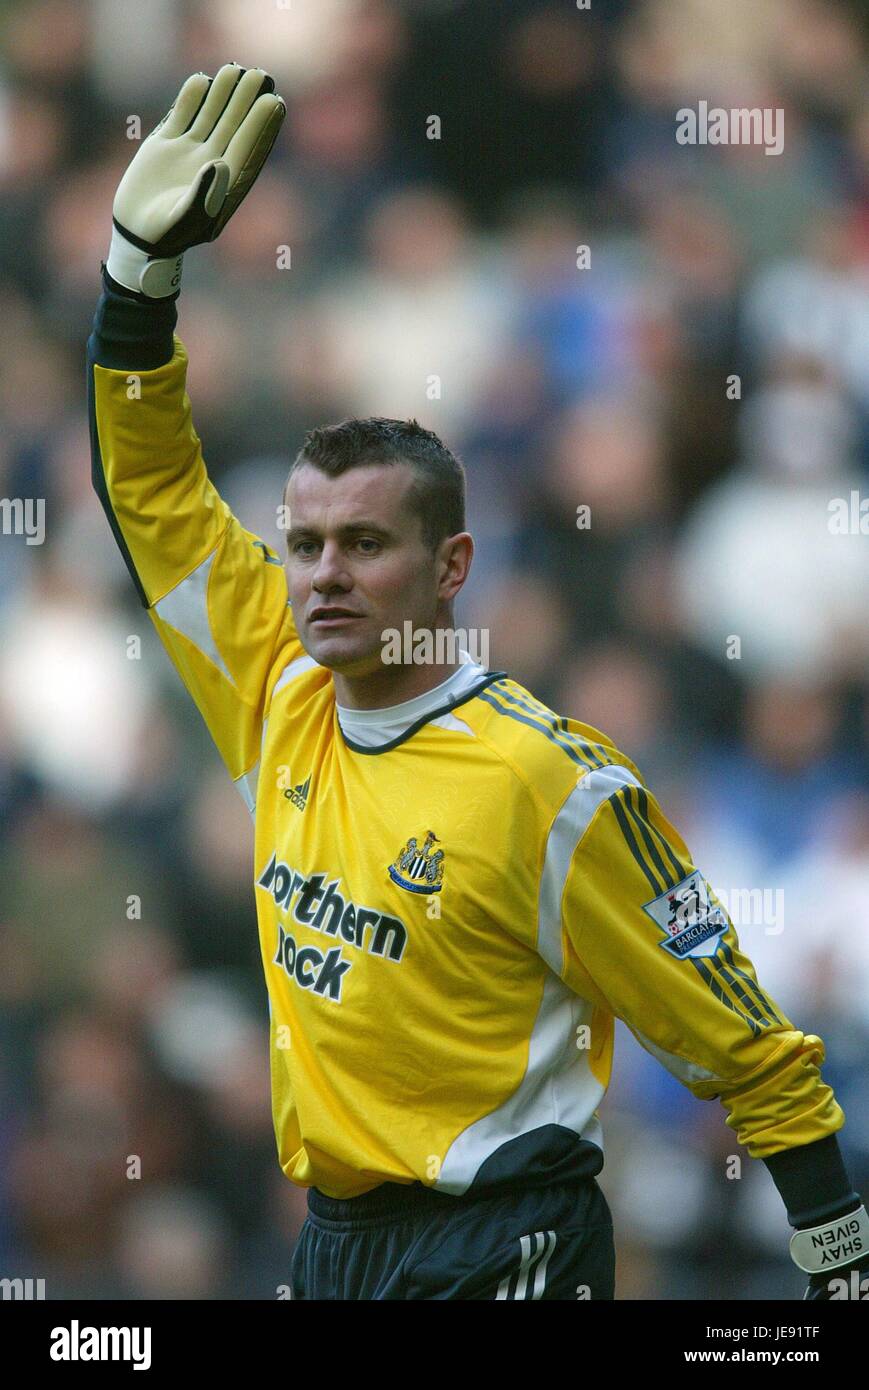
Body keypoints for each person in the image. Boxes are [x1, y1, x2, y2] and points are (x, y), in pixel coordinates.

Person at [87, 64, 867, 1300]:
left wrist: (840, 1265)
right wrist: (137, 278)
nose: (324, 575)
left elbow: (743, 1044)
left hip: (505, 1241)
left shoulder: (547, 778)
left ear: (451, 564)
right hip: (332, 1243)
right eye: (302, 545)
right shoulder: (275, 684)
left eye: (365, 544)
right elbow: (153, 494)